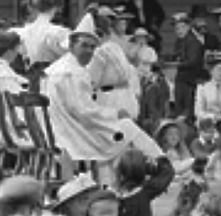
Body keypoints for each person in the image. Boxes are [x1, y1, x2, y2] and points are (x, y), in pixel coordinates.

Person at [42, 17, 160, 177]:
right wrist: (114, 114)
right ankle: (159, 164)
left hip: (63, 127)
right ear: (71, 45)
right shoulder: (72, 73)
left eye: (92, 47)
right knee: (124, 129)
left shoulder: (61, 67)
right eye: (84, 45)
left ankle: (152, 164)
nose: (89, 51)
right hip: (71, 132)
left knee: (122, 130)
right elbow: (83, 111)